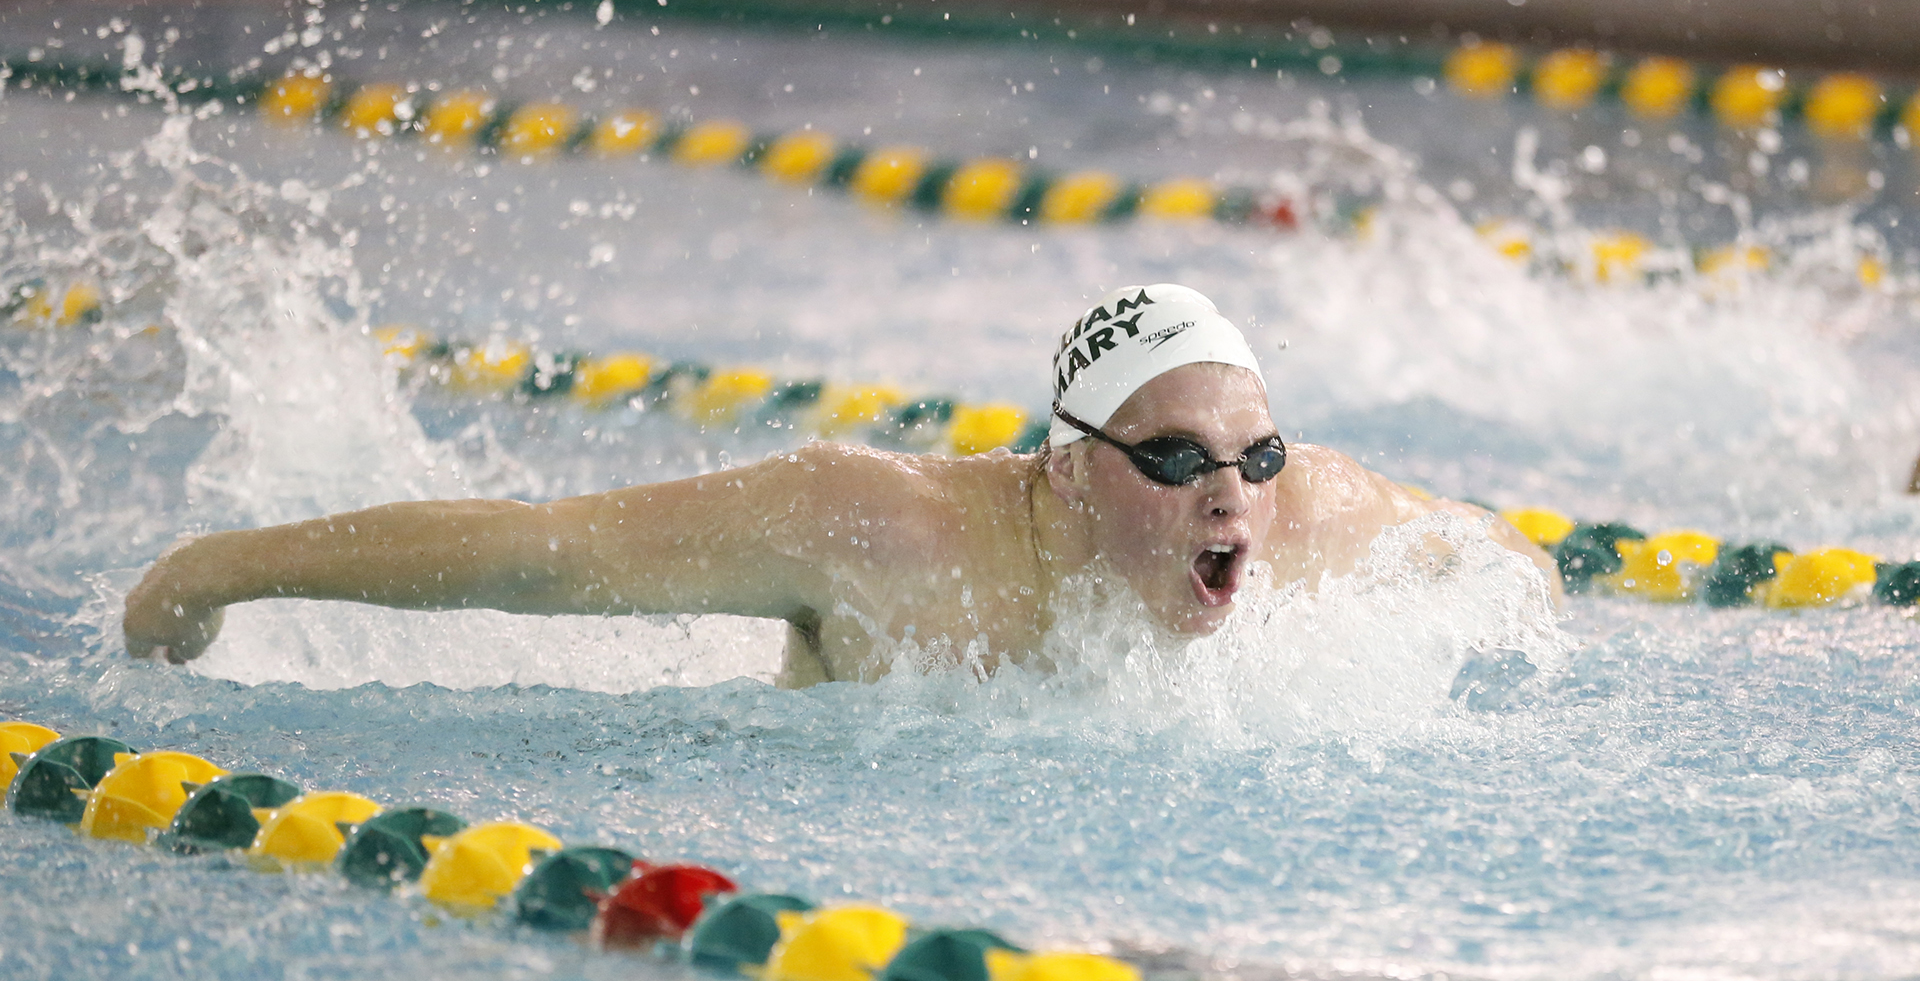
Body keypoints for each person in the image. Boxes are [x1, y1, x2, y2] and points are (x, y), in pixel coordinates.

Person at [123, 284, 1557, 686]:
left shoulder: (1308, 511)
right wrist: (223, 568)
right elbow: (535, 554)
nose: (1230, 497)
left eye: (1254, 456)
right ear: (1065, 470)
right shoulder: (874, 529)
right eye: (1174, 461)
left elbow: (1506, 562)